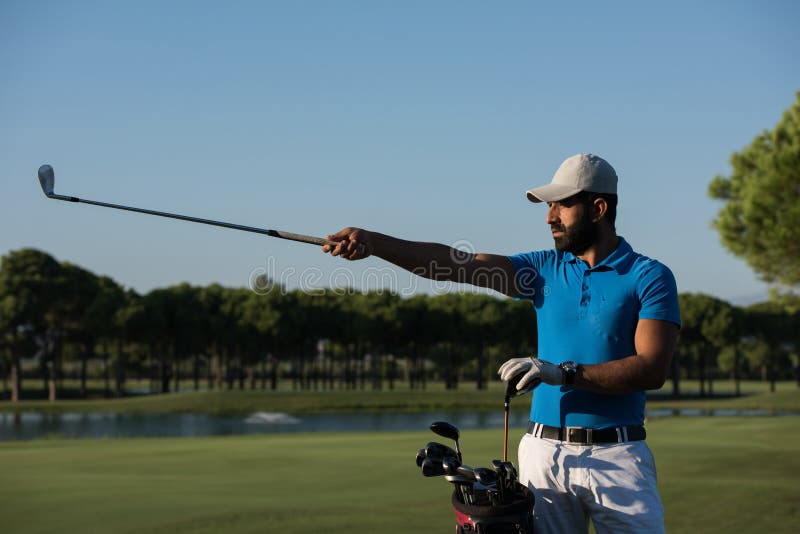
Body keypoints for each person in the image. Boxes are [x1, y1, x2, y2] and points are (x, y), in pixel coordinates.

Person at [322, 153, 680, 533]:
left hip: (618, 457)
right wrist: (375, 243)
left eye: (561, 205)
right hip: (544, 456)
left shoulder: (649, 276)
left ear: (598, 208)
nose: (549, 217)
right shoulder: (543, 270)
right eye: (548, 206)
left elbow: (651, 367)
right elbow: (456, 263)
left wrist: (563, 373)